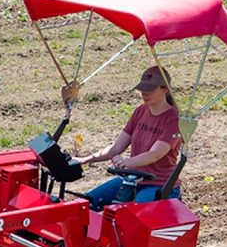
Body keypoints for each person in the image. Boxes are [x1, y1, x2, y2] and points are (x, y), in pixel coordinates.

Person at [72, 65, 183, 208]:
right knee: (87, 204)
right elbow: (117, 147)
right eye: (142, 89)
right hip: (132, 179)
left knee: (131, 217)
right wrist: (84, 160)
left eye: (150, 89)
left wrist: (126, 163)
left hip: (158, 184)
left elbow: (154, 154)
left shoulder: (174, 119)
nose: (144, 93)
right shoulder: (140, 111)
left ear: (165, 89)